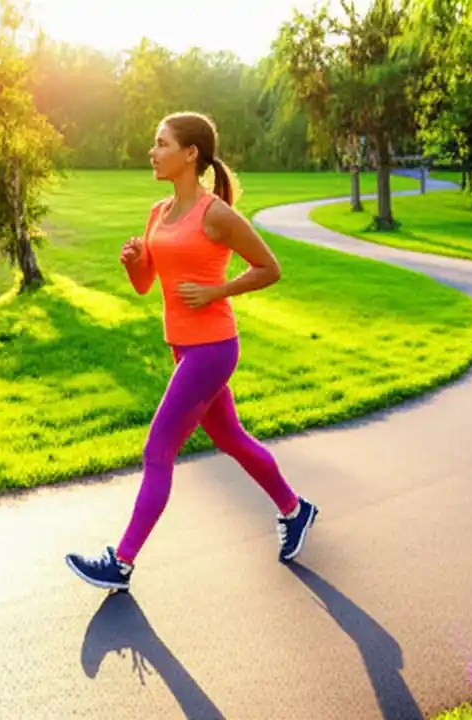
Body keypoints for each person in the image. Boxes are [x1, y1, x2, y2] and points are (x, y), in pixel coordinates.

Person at [65, 112, 318, 591]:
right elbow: (145, 286)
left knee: (158, 448)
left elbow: (270, 268)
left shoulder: (216, 214)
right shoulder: (159, 213)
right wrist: (133, 263)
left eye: (161, 143)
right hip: (184, 348)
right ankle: (295, 509)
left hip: (214, 349)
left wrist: (217, 291)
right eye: (154, 142)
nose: (152, 151)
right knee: (231, 439)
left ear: (190, 154)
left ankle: (121, 563)